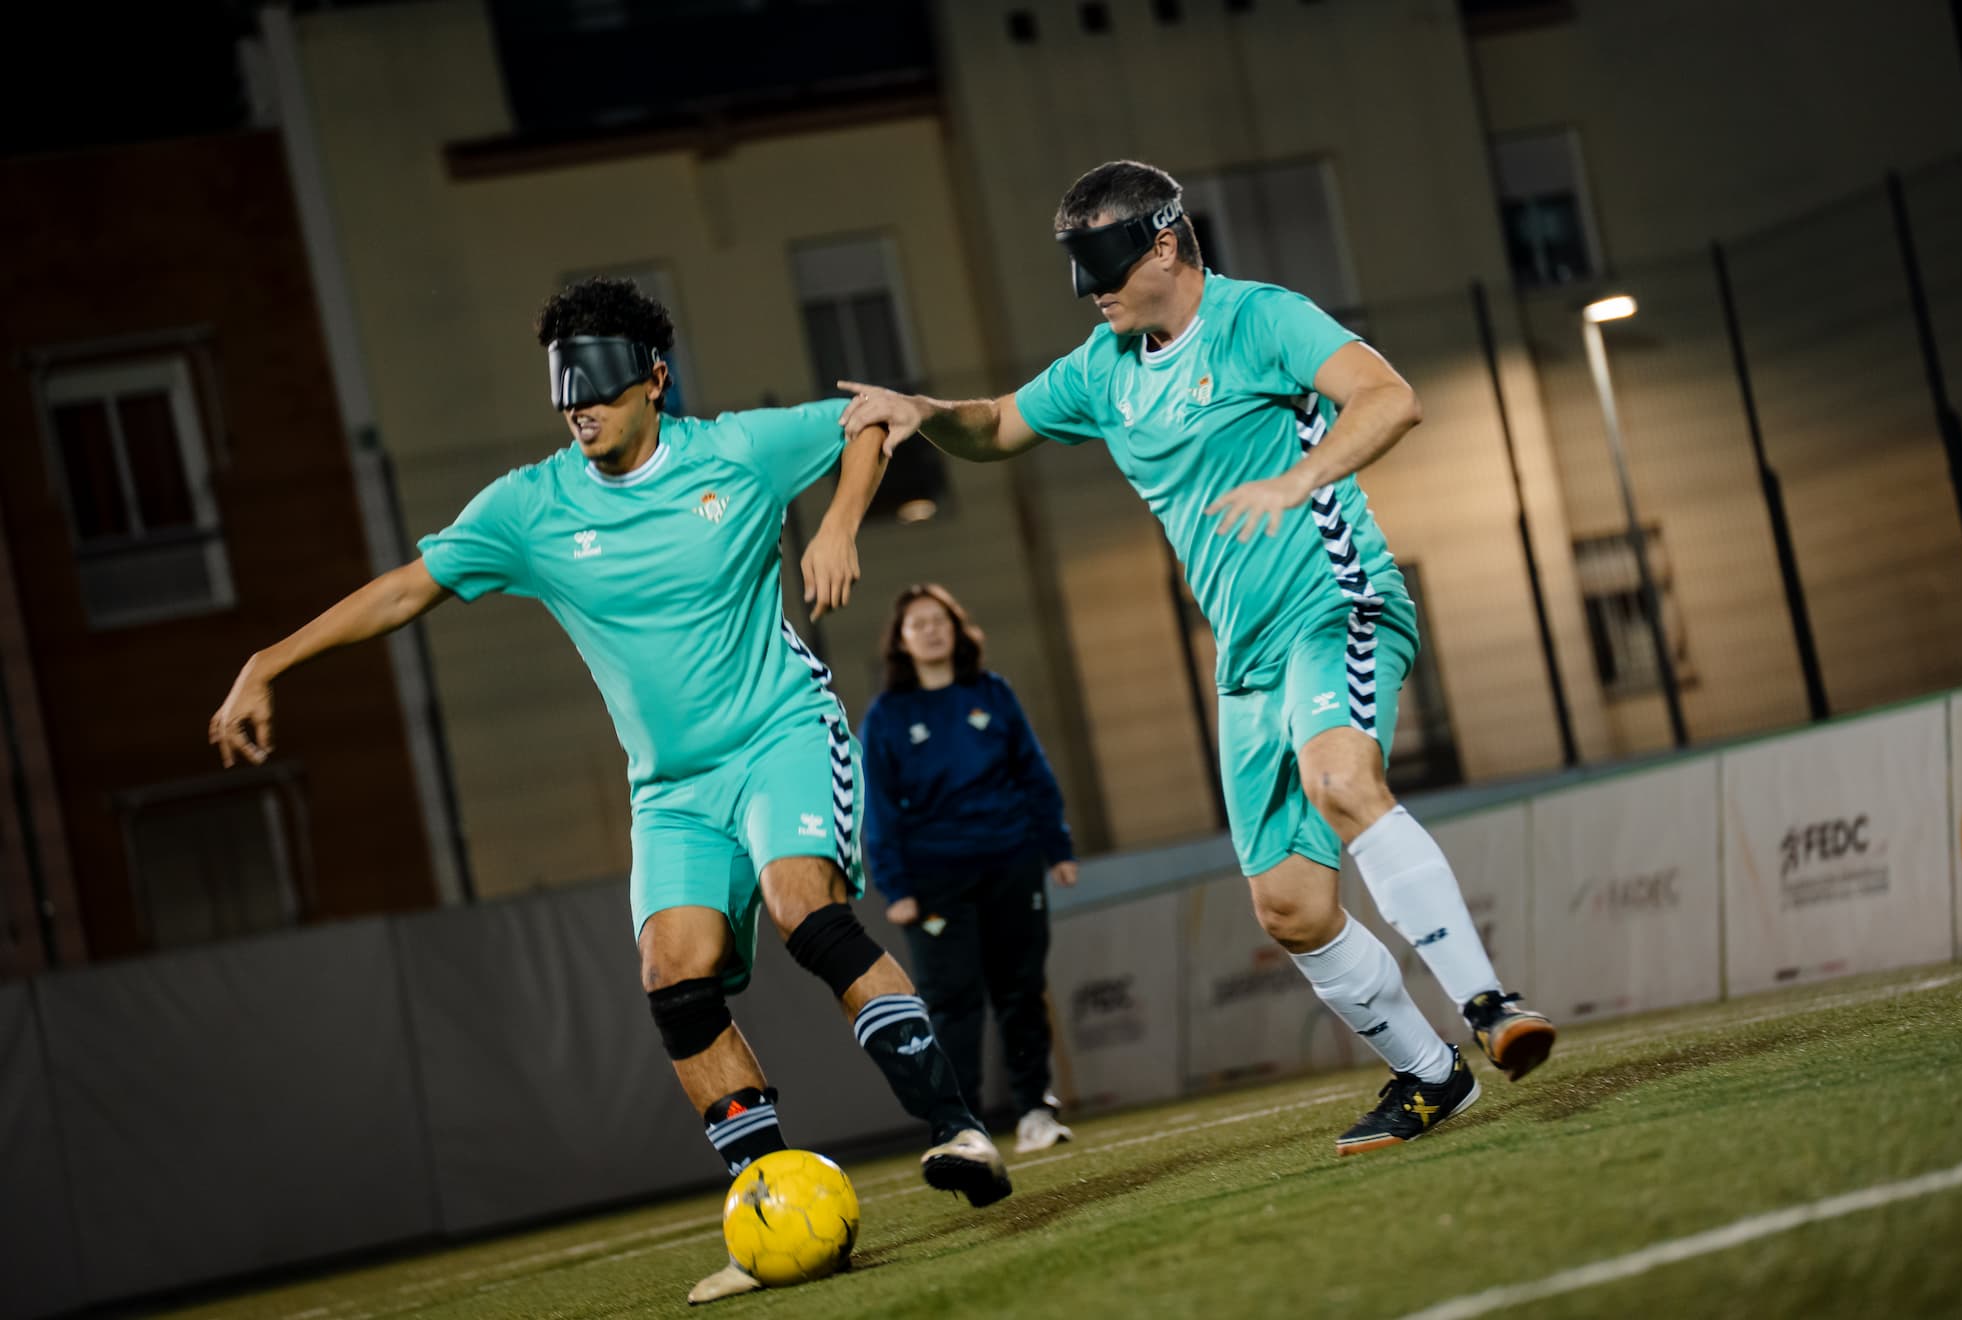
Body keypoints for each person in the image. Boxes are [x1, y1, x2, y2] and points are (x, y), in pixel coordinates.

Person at [208, 277, 1010, 1305]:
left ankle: (959, 1131)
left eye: (596, 380)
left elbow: (870, 420)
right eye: (564, 385)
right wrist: (268, 661)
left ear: (653, 380)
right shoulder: (530, 509)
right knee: (673, 975)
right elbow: (409, 587)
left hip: (780, 734)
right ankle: (771, 1206)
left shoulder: (736, 452)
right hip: (671, 790)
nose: (578, 404)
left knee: (803, 905)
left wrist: (840, 524)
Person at [838, 161, 1556, 1157]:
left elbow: (1388, 400)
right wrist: (925, 411)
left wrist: (1296, 479)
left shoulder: (1263, 319)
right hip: (1249, 659)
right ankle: (1431, 1076)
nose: (1090, 290)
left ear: (1166, 245)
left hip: (1334, 606)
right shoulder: (1101, 369)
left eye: (1102, 265)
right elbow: (1000, 424)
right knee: (1293, 910)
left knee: (1342, 776)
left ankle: (1489, 1003)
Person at [861, 584, 1079, 1155]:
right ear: (901, 643)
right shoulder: (887, 716)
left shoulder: (993, 694)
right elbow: (878, 807)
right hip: (935, 881)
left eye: (940, 620)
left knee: (1021, 991)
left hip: (1011, 860)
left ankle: (1035, 1109)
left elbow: (1035, 772)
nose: (932, 630)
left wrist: (1057, 849)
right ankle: (962, 1126)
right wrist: (895, 884)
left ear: (958, 629)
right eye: (918, 624)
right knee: (953, 1001)